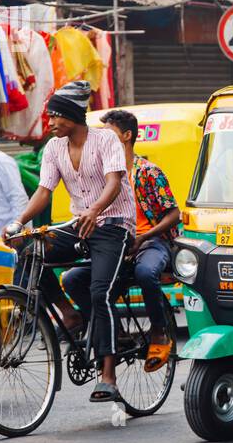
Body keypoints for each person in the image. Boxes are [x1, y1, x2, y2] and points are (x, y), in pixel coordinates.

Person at [7, 81, 137, 403]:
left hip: (114, 225)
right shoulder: (53, 149)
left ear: (72, 116)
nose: (49, 123)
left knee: (99, 290)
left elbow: (115, 182)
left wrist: (95, 210)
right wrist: (18, 222)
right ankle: (68, 312)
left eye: (54, 117)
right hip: (79, 224)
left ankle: (109, 377)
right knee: (28, 249)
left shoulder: (106, 139)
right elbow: (44, 191)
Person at [62, 109, 179, 372]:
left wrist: (144, 236)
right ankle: (114, 332)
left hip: (150, 242)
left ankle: (159, 332)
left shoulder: (147, 171)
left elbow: (173, 213)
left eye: (109, 134)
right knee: (71, 279)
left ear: (127, 136)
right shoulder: (102, 173)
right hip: (113, 244)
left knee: (146, 272)